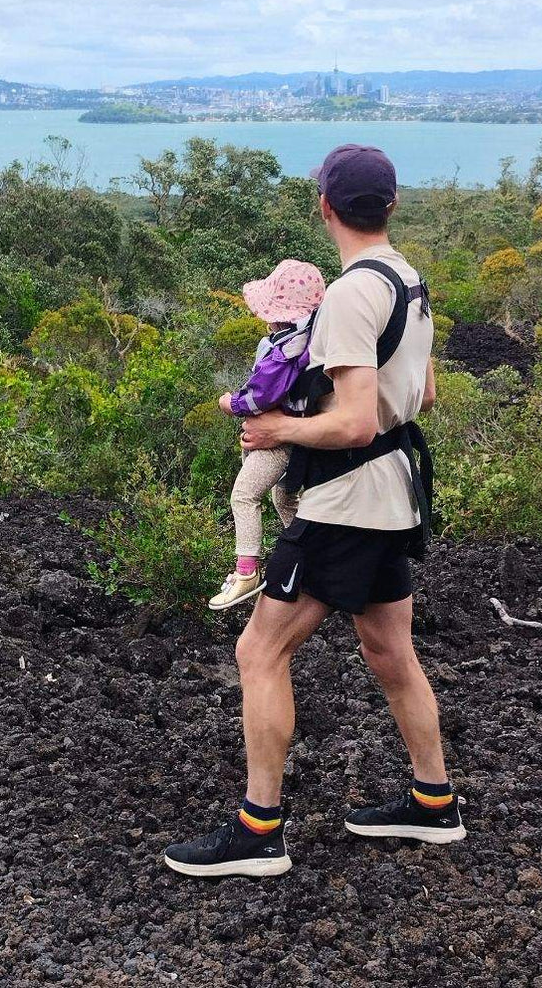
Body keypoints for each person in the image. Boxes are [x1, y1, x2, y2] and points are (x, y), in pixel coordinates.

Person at [164, 145, 463, 878]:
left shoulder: (350, 296)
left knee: (259, 651)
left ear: (324, 206)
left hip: (346, 500)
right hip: (393, 495)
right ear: (392, 204)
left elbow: (354, 423)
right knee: (390, 650)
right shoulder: (409, 280)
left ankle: (258, 830)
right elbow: (423, 395)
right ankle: (433, 802)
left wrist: (277, 430)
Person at [208, 259, 325, 611]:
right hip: (297, 436)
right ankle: (314, 557)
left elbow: (261, 397)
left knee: (244, 496)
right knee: (284, 498)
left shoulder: (284, 355)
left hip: (279, 441)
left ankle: (246, 571)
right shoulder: (308, 341)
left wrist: (231, 403)